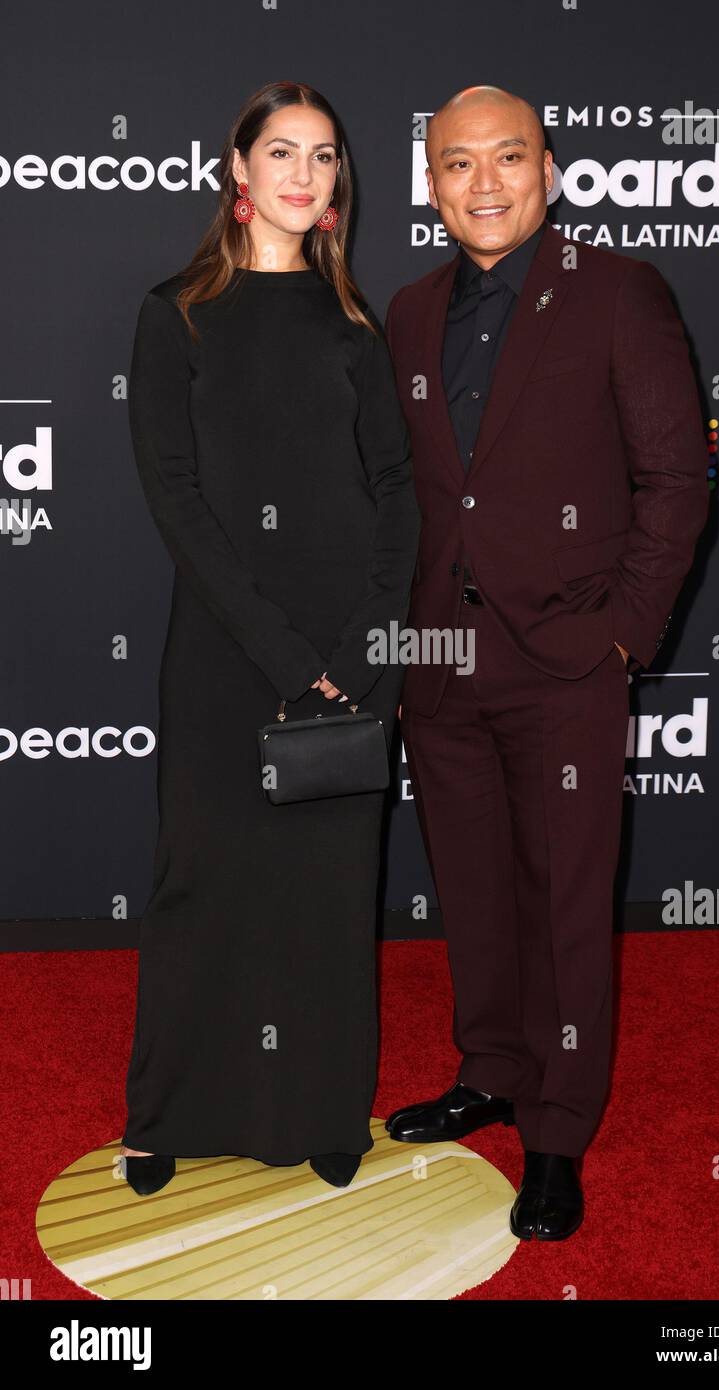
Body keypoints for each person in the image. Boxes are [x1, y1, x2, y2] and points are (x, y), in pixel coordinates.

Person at [384, 85, 709, 1240]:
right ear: (431, 186)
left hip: (568, 655)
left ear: (551, 169)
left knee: (568, 904)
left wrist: (623, 632)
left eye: (507, 158)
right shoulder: (410, 311)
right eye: (457, 164)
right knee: (474, 889)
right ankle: (492, 1068)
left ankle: (559, 1130)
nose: (483, 183)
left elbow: (675, 481)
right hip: (439, 662)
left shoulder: (617, 291)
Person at [120, 80, 420, 1197]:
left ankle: (322, 1106)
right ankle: (166, 1117)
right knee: (200, 880)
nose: (306, 171)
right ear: (237, 173)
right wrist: (294, 655)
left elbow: (396, 490)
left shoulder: (353, 325)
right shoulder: (175, 314)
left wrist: (367, 639)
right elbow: (176, 498)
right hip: (226, 647)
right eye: (281, 151)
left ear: (341, 183)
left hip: (356, 648)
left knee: (330, 889)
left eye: (327, 155)